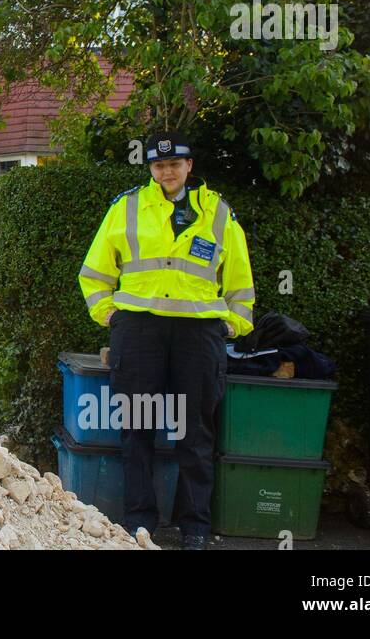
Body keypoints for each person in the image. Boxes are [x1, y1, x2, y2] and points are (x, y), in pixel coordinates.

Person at [77, 132, 255, 549]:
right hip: (139, 331)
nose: (167, 171)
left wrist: (231, 326)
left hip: (198, 334)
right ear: (150, 169)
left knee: (196, 433)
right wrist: (111, 314)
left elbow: (240, 280)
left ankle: (194, 527)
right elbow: (95, 271)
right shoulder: (127, 207)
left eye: (175, 164)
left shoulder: (218, 212)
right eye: (159, 166)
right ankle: (139, 521)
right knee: (137, 427)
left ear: (189, 166)